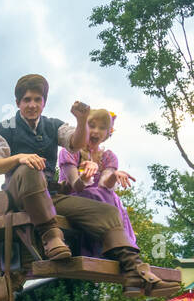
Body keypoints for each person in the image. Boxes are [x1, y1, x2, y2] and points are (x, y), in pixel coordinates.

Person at [0, 74, 178, 295]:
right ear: (18, 103)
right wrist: (20, 158)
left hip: (48, 196)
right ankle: (51, 236)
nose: (32, 105)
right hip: (18, 197)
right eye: (27, 100)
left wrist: (82, 120)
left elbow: (76, 143)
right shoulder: (4, 128)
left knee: (108, 212)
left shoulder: (52, 125)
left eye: (37, 99)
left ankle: (133, 272)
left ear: (44, 102)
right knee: (30, 167)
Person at [56, 107, 138, 257]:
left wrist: (114, 175)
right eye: (92, 126)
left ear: (108, 133)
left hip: (102, 200)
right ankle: (111, 250)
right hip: (73, 199)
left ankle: (115, 248)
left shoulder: (108, 156)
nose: (96, 131)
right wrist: (85, 177)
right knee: (98, 195)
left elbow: (104, 184)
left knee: (107, 195)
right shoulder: (70, 152)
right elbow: (75, 185)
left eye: (102, 128)